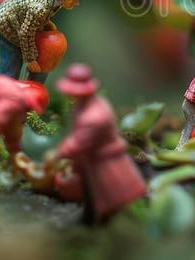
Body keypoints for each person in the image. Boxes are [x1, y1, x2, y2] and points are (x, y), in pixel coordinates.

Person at [50, 64, 147, 224]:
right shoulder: (84, 105)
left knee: (113, 193)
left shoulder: (95, 116)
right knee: (96, 194)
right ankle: (94, 217)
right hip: (91, 160)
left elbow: (79, 142)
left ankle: (120, 220)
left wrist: (59, 153)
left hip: (105, 161)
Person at [0, 0, 90, 82]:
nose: (77, 2)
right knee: (12, 66)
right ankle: (5, 91)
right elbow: (25, 33)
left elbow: (34, 17)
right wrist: (31, 60)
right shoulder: (40, 8)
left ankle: (31, 88)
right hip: (8, 22)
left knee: (37, 58)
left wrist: (46, 23)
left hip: (21, 19)